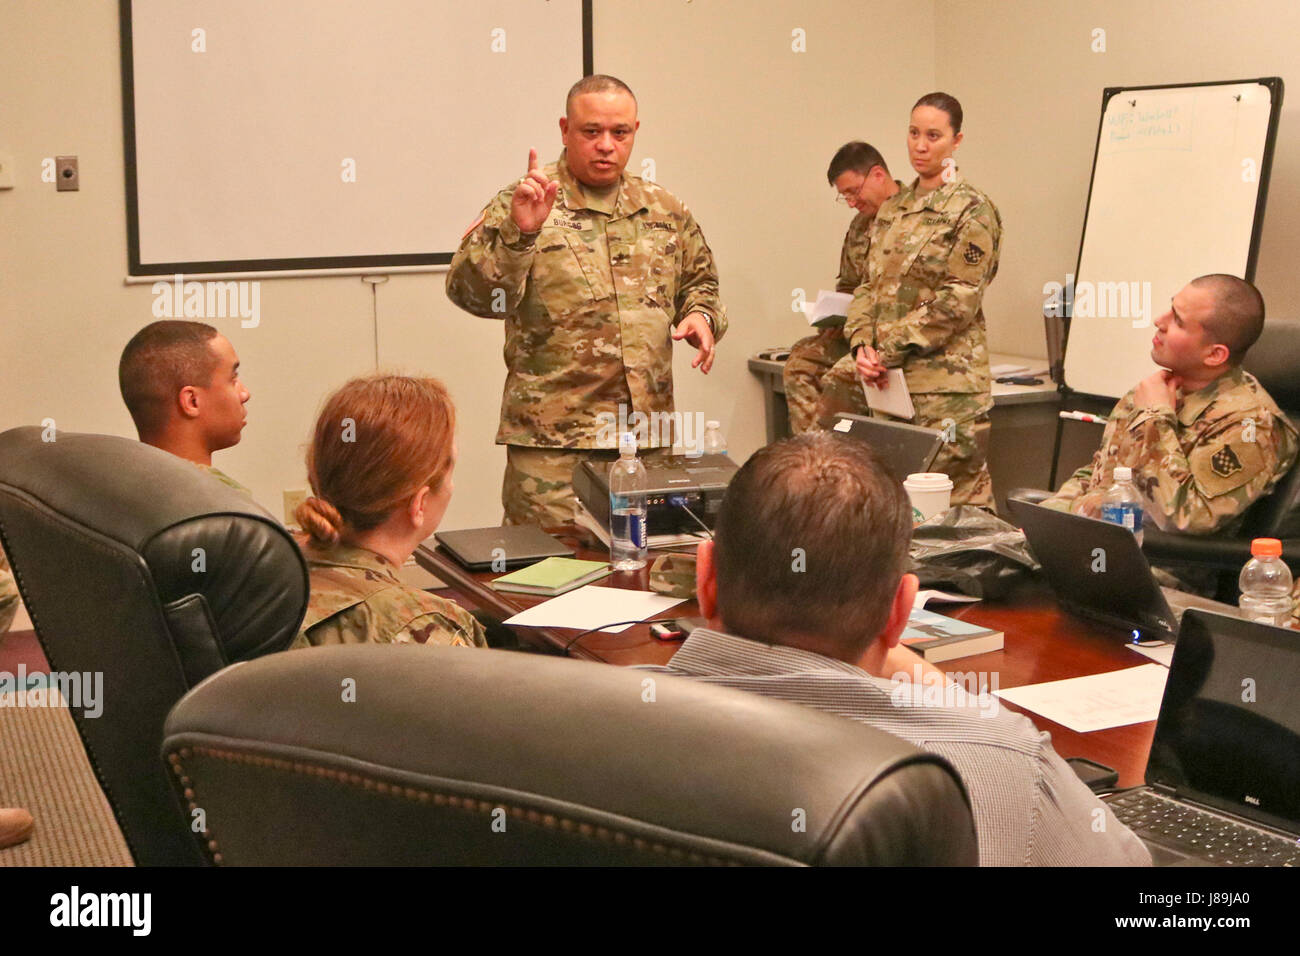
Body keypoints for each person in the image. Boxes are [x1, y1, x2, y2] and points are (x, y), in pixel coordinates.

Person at [641, 432, 1151, 866]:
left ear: (705, 579)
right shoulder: (1006, 765)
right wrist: (960, 705)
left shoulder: (584, 719)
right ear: (901, 611)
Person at [445, 74, 726, 526]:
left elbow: (702, 283)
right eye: (591, 132)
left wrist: (700, 316)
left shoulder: (664, 210)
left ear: (636, 131)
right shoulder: (525, 201)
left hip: (645, 441)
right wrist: (521, 235)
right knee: (543, 580)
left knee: (642, 575)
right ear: (564, 130)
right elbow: (473, 295)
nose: (606, 146)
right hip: (555, 450)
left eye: (621, 133)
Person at [816, 92, 1002, 507]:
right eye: (914, 133)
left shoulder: (971, 209)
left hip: (947, 389)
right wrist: (861, 343)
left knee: (956, 512)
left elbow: (959, 300)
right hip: (890, 387)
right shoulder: (893, 209)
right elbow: (867, 287)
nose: (921, 145)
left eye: (934, 136)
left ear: (956, 141)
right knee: (898, 507)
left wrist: (886, 347)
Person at [1043, 275, 1298, 534]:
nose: (1159, 321)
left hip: (1155, 565)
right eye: (1170, 308)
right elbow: (1100, 475)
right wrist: (1048, 520)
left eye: (1177, 320)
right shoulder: (1159, 391)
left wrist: (1155, 418)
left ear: (1214, 354)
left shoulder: (1252, 426)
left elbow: (1185, 518)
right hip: (1096, 548)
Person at [292, 375, 488, 650]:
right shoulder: (419, 628)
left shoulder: (267, 570)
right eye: (450, 472)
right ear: (419, 504)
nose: (452, 487)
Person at [782, 142, 900, 434]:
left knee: (840, 377)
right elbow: (849, 283)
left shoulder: (913, 219)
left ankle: (827, 461)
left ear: (877, 175)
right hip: (857, 332)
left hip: (892, 334)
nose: (850, 202)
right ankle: (808, 453)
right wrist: (834, 316)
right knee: (800, 362)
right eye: (843, 196)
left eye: (853, 192)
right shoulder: (860, 227)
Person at [118, 320, 252, 495]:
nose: (245, 394)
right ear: (192, 401)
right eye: (232, 379)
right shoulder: (224, 510)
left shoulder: (121, 494)